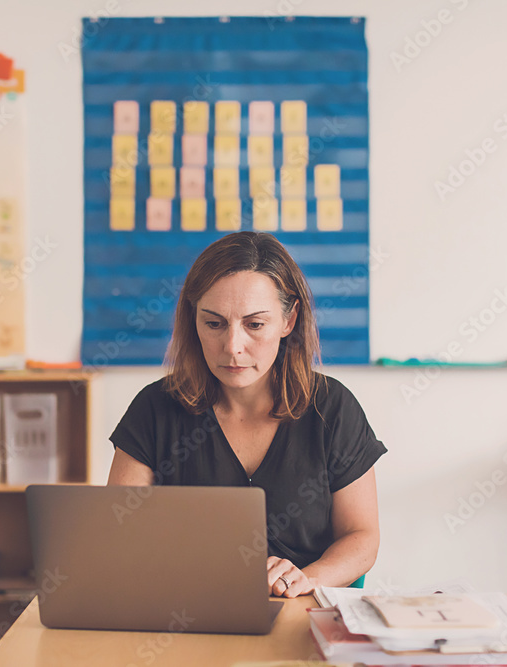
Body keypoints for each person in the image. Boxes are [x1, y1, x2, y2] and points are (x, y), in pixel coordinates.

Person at [107, 231, 386, 598]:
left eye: (254, 325)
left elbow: (361, 537)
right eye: (214, 323)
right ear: (194, 320)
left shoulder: (332, 408)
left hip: (300, 614)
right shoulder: (155, 408)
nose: (232, 347)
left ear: (288, 321)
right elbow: (116, 534)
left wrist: (307, 579)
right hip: (186, 615)